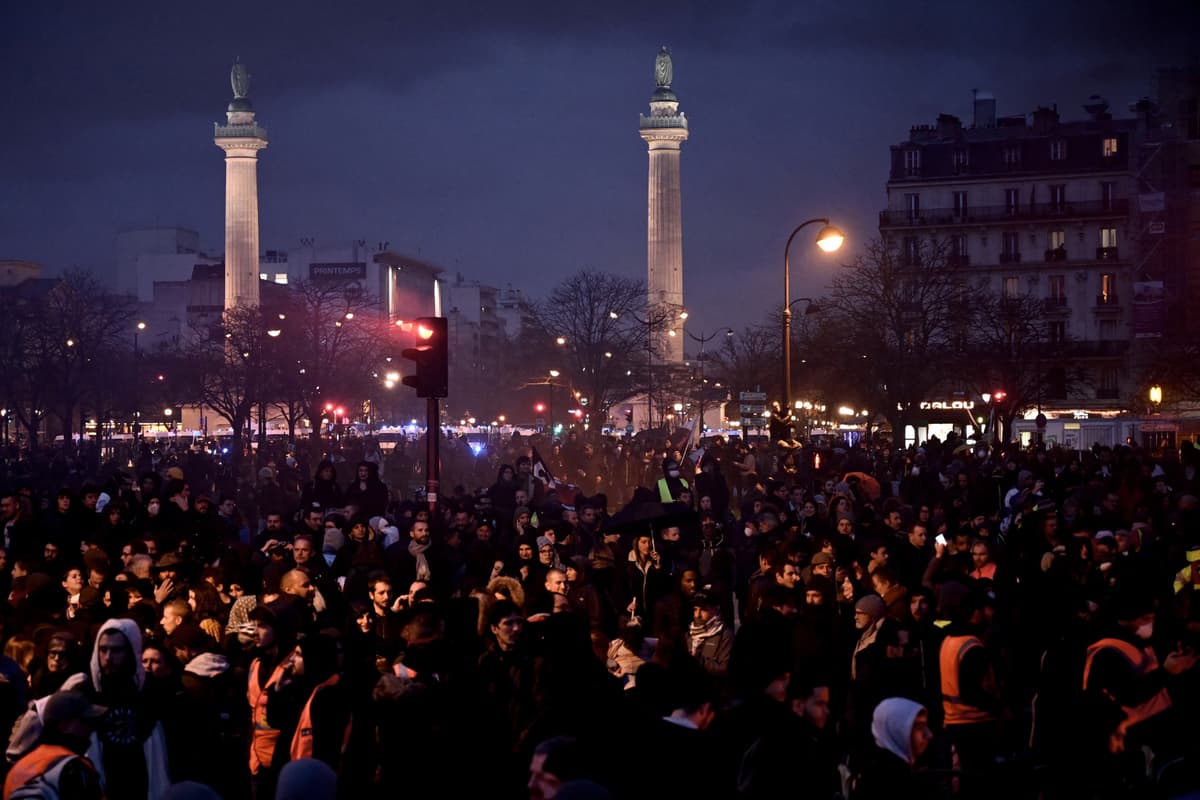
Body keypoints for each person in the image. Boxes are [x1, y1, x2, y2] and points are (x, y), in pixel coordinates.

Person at [3, 691, 105, 800]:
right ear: (64, 726)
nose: (90, 729)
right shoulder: (74, 768)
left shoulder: (19, 768)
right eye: (85, 722)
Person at [852, 697, 936, 799]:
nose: (929, 734)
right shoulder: (892, 782)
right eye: (919, 727)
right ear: (897, 731)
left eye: (925, 725)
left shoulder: (876, 772)